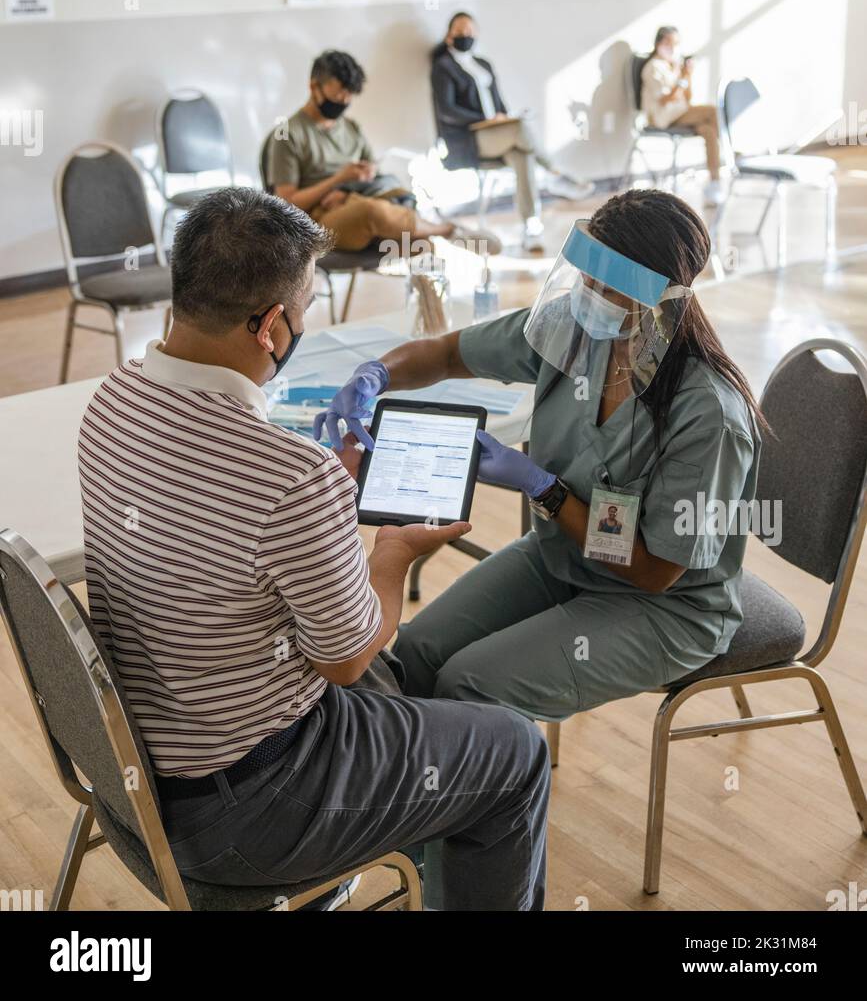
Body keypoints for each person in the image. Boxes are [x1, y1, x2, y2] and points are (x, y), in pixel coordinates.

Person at [78, 187, 549, 911]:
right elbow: (346, 658)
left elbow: (211, 531)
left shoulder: (111, 401)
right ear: (270, 327)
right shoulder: (291, 478)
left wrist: (318, 510)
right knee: (515, 754)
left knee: (410, 692)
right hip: (246, 808)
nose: (304, 323)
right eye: (305, 309)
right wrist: (392, 550)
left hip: (139, 769)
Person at [318, 188, 764, 725]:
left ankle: (470, 799)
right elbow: (445, 353)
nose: (588, 294)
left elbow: (652, 571)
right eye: (585, 275)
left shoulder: (706, 413)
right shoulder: (575, 332)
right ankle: (410, 794)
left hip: (663, 608)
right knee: (412, 656)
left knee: (469, 686)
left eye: (607, 285)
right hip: (564, 557)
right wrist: (379, 374)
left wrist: (544, 489)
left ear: (654, 296)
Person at [266, 48, 500, 257]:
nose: (344, 100)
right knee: (372, 212)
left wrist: (351, 185)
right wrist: (338, 180)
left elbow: (372, 167)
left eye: (350, 95)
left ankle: (430, 262)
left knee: (421, 244)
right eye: (338, 94)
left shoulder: (350, 128)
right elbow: (285, 201)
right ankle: (447, 230)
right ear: (314, 86)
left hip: (356, 200)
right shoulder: (287, 133)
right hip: (317, 220)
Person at [431, 12, 592, 254]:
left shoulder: (483, 64)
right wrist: (485, 120)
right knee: (520, 130)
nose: (466, 36)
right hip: (469, 138)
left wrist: (504, 118)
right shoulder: (442, 67)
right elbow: (446, 111)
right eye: (460, 31)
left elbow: (499, 105)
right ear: (449, 35)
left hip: (499, 133)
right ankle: (553, 174)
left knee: (523, 155)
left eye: (470, 32)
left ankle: (530, 228)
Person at [641, 26, 724, 205]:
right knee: (712, 112)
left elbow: (687, 97)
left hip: (680, 113)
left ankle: (714, 182)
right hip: (664, 117)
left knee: (709, 130)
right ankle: (730, 153)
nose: (672, 47)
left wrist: (688, 76)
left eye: (676, 43)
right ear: (658, 43)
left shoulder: (673, 66)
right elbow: (665, 100)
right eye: (668, 43)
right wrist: (683, 78)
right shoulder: (652, 67)